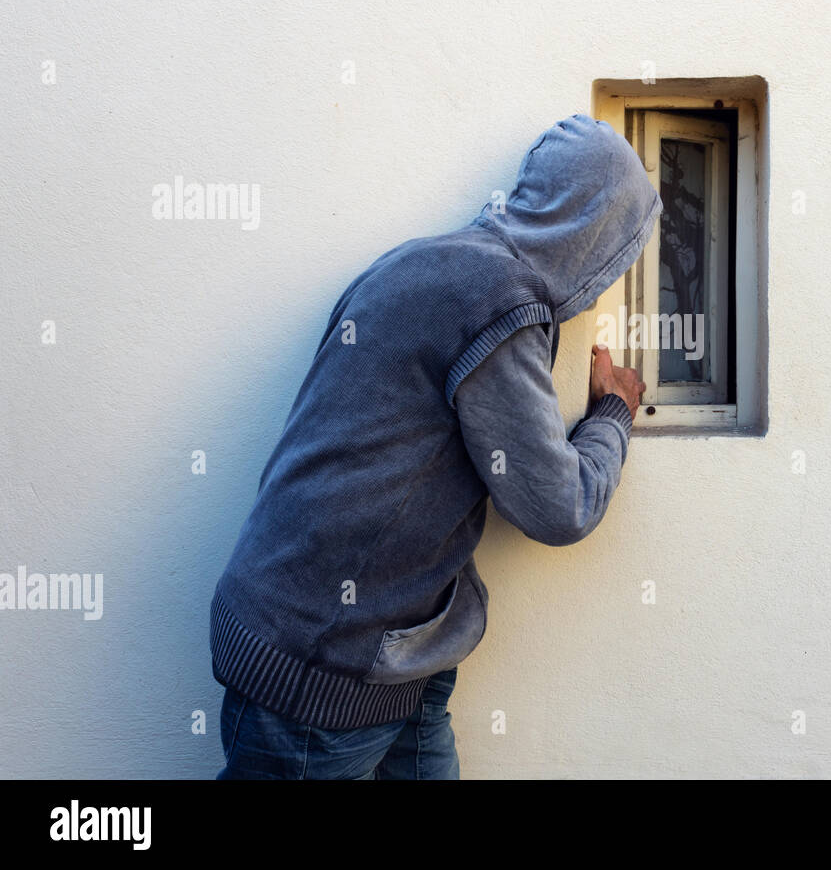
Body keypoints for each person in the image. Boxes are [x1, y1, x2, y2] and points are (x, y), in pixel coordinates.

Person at [210, 114, 660, 778]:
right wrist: (614, 412)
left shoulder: (421, 261)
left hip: (393, 652)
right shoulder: (501, 306)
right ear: (594, 229)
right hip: (321, 672)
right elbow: (557, 505)